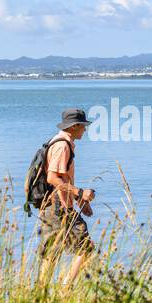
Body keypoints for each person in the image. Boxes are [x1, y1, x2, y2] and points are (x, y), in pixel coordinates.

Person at [38, 108, 96, 286]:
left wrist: (79, 201)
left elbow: (62, 179)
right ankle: (66, 288)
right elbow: (52, 178)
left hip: (53, 206)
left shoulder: (58, 142)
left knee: (51, 254)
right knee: (86, 249)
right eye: (83, 126)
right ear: (73, 126)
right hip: (59, 208)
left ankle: (41, 292)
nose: (85, 129)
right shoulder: (62, 146)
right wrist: (80, 193)